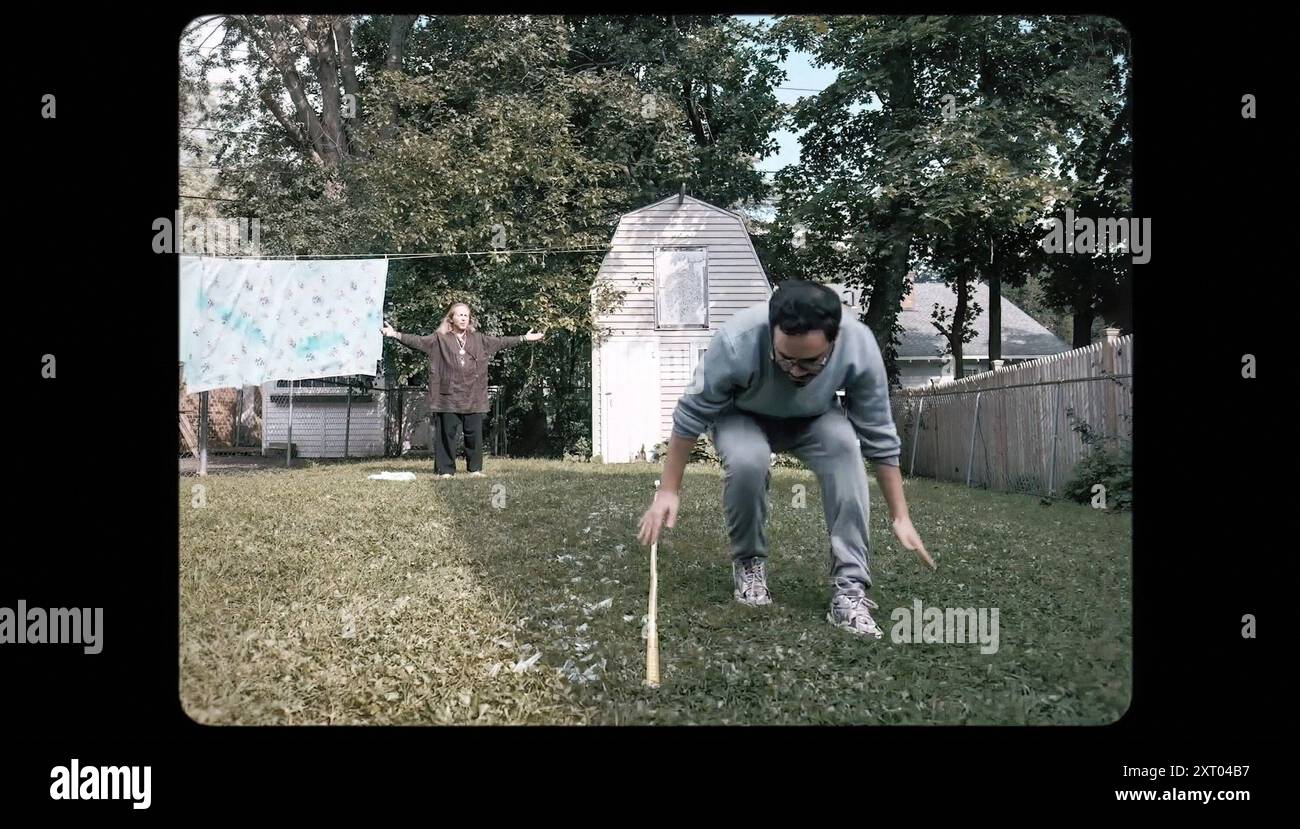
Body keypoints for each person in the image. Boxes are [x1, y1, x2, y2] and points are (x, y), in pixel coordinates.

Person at [637, 280, 934, 639]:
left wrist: (900, 515)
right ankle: (749, 564)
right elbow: (690, 414)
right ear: (771, 333)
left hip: (814, 417)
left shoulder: (859, 345)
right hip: (742, 415)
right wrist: (669, 490)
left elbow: (879, 436)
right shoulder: (736, 340)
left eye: (810, 363)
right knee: (749, 460)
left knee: (844, 447)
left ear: (834, 341)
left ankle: (850, 590)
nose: (794, 371)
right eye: (785, 359)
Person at [382, 302, 543, 477]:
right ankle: (446, 470)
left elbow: (502, 342)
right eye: (460, 315)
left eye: (466, 315)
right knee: (447, 435)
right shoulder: (440, 338)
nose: (464, 318)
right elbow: (418, 341)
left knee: (474, 435)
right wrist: (395, 334)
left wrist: (524, 338)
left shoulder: (479, 339)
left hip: (473, 395)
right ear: (451, 318)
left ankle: (475, 469)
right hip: (448, 395)